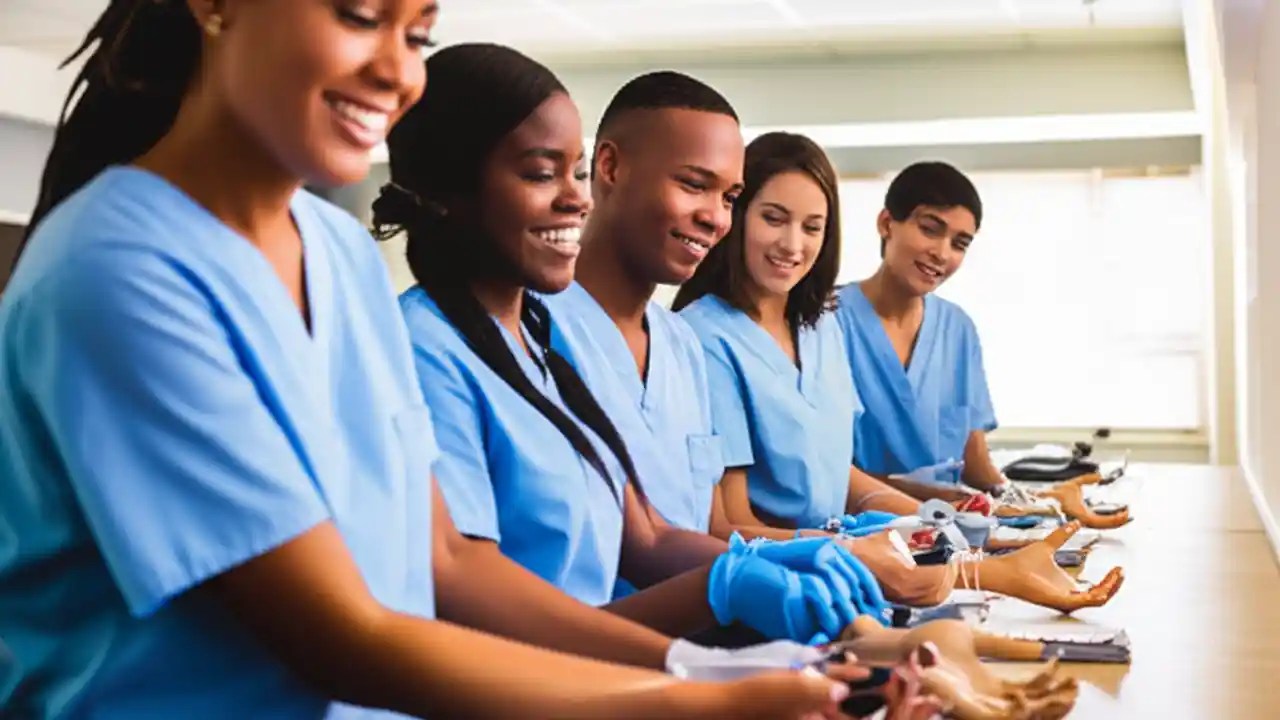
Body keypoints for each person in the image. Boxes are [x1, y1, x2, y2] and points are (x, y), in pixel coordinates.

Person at [0, 3, 860, 718]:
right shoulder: (119, 273)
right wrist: (691, 697)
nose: (396, 72)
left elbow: (446, 563)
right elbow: (345, 639)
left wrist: (694, 665)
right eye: (360, 16)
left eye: (415, 36)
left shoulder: (336, 253)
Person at [382, 44, 889, 658]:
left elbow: (647, 537)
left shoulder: (539, 346)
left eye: (729, 196)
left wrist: (790, 560)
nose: (576, 198)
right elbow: (465, 590)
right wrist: (712, 612)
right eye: (543, 173)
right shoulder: (427, 347)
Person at [674, 132, 920, 532]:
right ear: (736, 215)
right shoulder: (703, 336)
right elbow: (730, 524)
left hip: (835, 556)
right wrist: (850, 552)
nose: (792, 244)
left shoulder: (822, 325)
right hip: (771, 572)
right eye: (773, 218)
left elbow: (836, 475)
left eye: (812, 227)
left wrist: (933, 519)